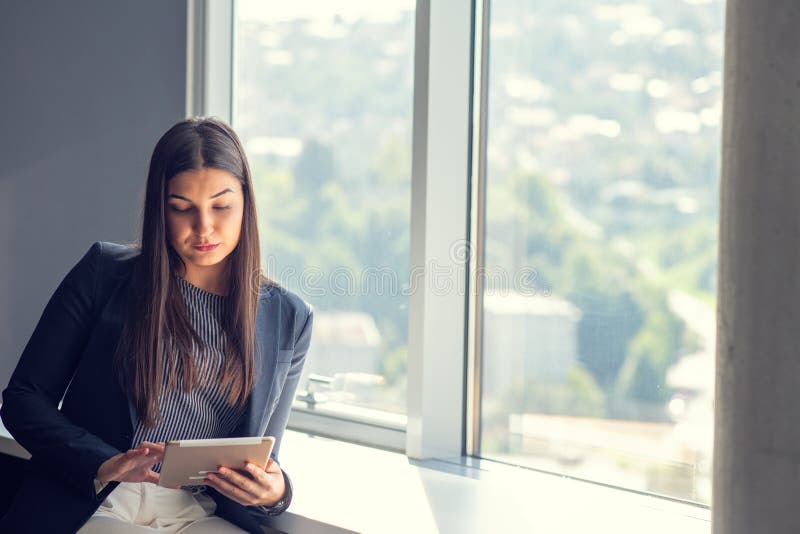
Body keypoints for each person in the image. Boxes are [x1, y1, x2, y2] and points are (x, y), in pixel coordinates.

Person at [0, 117, 313, 534]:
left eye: (221, 206)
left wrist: (277, 493)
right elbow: (23, 400)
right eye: (182, 208)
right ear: (159, 209)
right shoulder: (103, 274)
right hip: (96, 501)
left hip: (196, 511)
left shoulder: (289, 317)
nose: (204, 227)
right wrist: (103, 462)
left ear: (246, 203)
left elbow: (262, 456)